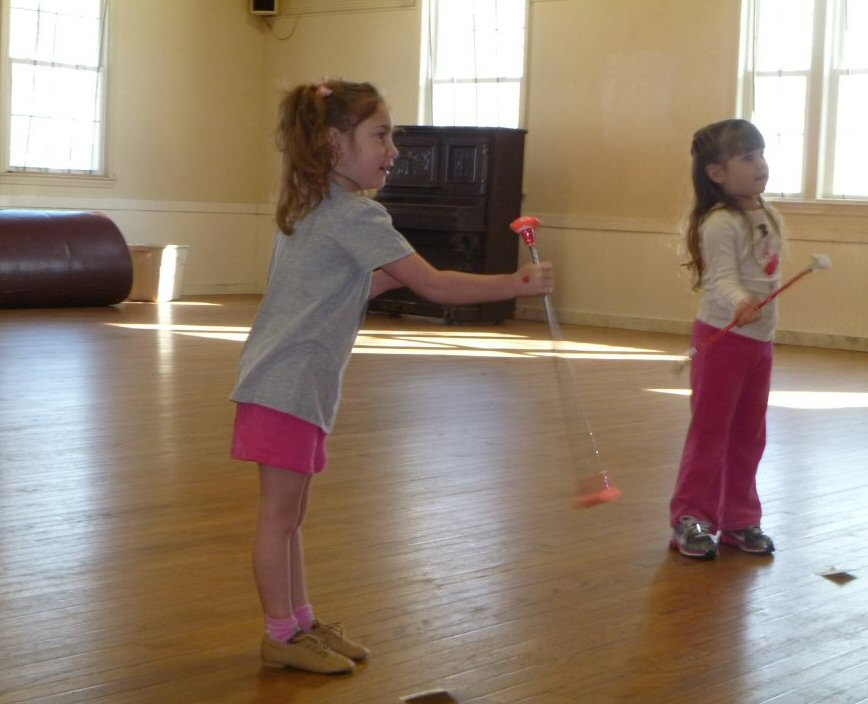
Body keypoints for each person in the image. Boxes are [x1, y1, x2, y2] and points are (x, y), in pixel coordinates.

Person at [230, 80, 554, 674]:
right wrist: (515, 284)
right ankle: (279, 633)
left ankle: (301, 622)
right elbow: (433, 283)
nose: (394, 149)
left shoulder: (311, 203)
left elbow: (343, 283)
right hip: (286, 386)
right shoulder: (356, 214)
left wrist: (394, 275)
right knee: (279, 518)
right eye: (380, 135)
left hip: (291, 386)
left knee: (291, 515)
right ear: (333, 144)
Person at [669, 119, 783, 560]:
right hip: (722, 339)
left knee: (750, 435)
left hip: (759, 342)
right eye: (748, 157)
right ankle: (691, 517)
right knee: (711, 433)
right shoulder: (720, 222)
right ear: (717, 173)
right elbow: (721, 281)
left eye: (761, 154)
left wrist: (756, 316)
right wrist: (740, 302)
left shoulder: (765, 213)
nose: (761, 165)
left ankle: (739, 520)